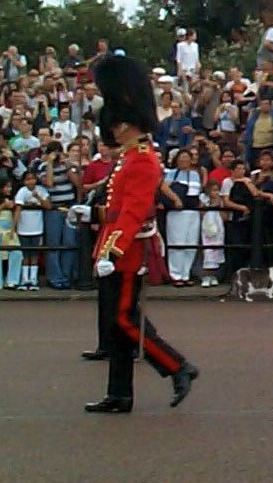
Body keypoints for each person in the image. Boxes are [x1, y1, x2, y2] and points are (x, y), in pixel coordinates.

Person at [81, 54, 197, 414]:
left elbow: (133, 213)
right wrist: (92, 213)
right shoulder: (129, 156)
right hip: (114, 247)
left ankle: (178, 366)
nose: (113, 131)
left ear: (128, 124)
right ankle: (120, 394)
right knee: (118, 326)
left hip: (127, 253)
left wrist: (111, 253)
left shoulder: (144, 158)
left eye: (117, 126)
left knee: (124, 320)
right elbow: (118, 208)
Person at [38, 140, 79, 289]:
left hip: (69, 209)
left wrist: (67, 166)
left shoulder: (68, 166)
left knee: (69, 243)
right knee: (53, 245)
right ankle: (55, 278)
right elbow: (49, 183)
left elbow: (78, 184)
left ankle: (67, 276)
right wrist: (49, 163)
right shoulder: (42, 167)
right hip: (53, 210)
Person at [159, 149, 202, 286]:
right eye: (181, 158)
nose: (184, 160)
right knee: (178, 242)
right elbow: (164, 188)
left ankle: (186, 273)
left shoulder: (195, 174)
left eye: (187, 158)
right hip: (178, 212)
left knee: (191, 243)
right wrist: (176, 199)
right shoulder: (172, 173)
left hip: (193, 211)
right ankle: (176, 275)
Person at [220, 159, 258, 276]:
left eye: (243, 169)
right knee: (235, 245)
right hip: (234, 218)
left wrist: (248, 183)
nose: (241, 172)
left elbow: (255, 194)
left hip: (247, 219)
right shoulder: (227, 182)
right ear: (232, 170)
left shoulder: (246, 181)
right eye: (238, 169)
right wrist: (241, 208)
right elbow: (226, 202)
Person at [14, 169, 50, 290]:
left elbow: (48, 206)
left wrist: (38, 197)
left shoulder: (41, 190)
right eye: (28, 179)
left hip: (37, 227)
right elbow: (18, 208)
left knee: (34, 253)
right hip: (23, 227)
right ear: (24, 181)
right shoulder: (21, 191)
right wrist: (14, 225)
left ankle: (33, 280)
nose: (31, 181)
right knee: (25, 254)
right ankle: (25, 280)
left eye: (33, 178)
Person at [243, 98, 273, 169]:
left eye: (266, 104)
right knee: (255, 168)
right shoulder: (253, 117)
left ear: (270, 105)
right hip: (255, 148)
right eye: (262, 104)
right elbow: (248, 130)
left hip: (271, 146)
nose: (264, 106)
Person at [199, 179, 226, 288]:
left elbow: (224, 217)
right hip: (207, 226)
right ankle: (206, 276)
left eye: (217, 190)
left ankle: (213, 276)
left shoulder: (221, 201)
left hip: (218, 227)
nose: (216, 193)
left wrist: (219, 206)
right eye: (213, 190)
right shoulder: (203, 198)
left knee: (217, 251)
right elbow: (201, 213)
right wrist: (210, 205)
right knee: (207, 251)